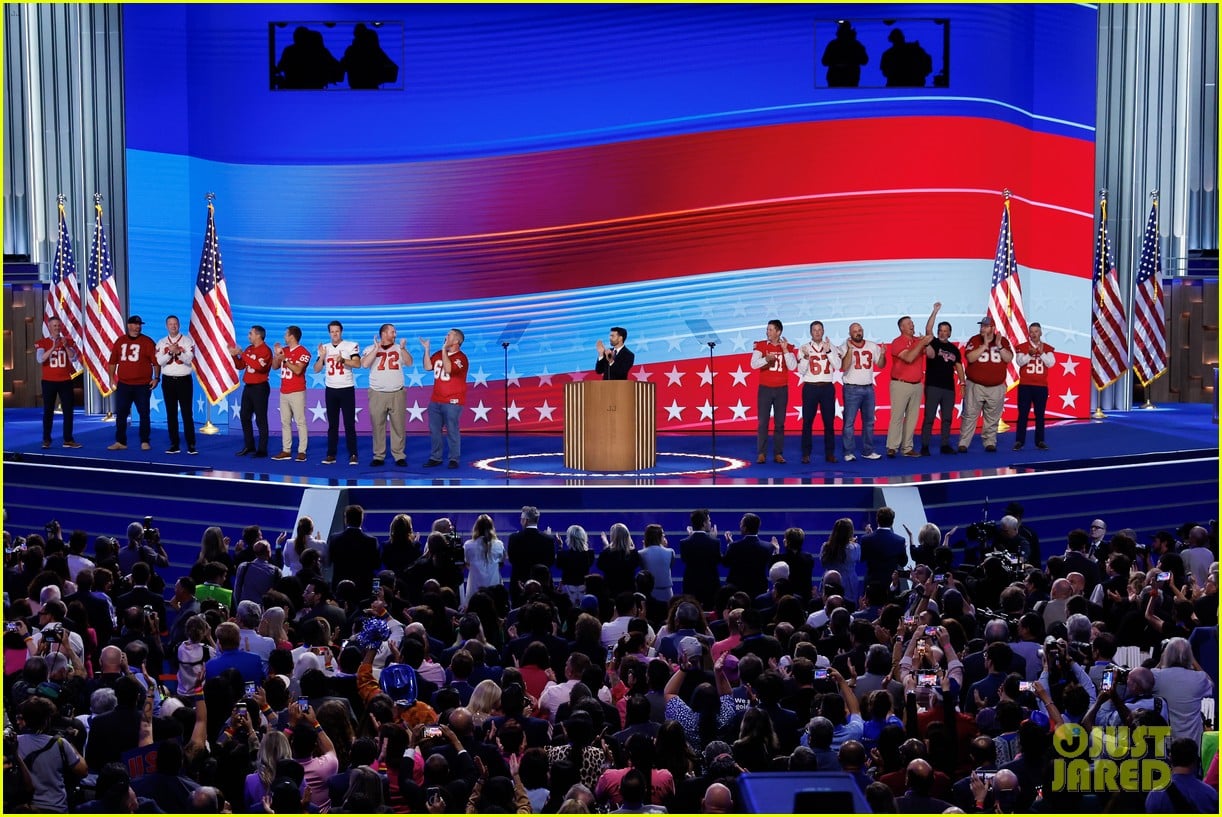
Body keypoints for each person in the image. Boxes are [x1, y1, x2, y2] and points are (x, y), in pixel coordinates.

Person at [957, 315, 1013, 453]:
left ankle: (989, 442)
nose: (982, 328)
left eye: (985, 326)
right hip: (976, 385)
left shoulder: (1002, 341)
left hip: (996, 386)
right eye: (981, 326)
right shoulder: (975, 340)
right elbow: (970, 357)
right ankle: (963, 443)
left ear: (993, 328)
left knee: (992, 416)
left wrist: (999, 346)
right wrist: (985, 345)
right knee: (970, 414)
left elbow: (1009, 358)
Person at [886, 306, 936, 458]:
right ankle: (892, 446)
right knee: (897, 416)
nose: (912, 325)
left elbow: (932, 355)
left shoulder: (918, 341)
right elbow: (909, 358)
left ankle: (907, 447)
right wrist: (921, 343)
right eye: (909, 324)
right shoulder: (897, 342)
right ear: (902, 327)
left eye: (913, 323)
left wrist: (926, 343)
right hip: (900, 384)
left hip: (916, 385)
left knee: (912, 418)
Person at [361, 323, 412, 467]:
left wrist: (403, 349)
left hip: (397, 392)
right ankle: (379, 455)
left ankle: (399, 455)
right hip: (377, 393)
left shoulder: (399, 348)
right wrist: (376, 349)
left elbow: (409, 363)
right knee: (378, 425)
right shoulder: (370, 348)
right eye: (392, 332)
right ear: (384, 333)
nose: (395, 334)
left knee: (398, 426)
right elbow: (364, 364)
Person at [107, 315, 159, 451]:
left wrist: (156, 377)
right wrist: (111, 378)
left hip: (142, 385)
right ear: (129, 326)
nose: (138, 327)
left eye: (139, 325)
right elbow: (113, 361)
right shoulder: (120, 341)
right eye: (135, 325)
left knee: (144, 413)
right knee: (121, 414)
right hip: (124, 384)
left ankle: (145, 441)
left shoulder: (147, 342)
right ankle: (120, 441)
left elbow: (156, 362)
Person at [314, 320, 361, 465]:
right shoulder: (325, 348)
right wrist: (322, 356)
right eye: (332, 331)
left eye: (337, 331)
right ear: (329, 333)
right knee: (332, 425)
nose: (334, 334)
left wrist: (343, 360)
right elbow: (316, 369)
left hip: (346, 388)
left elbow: (358, 364)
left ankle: (353, 454)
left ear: (341, 331)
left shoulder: (350, 345)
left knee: (349, 424)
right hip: (331, 389)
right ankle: (331, 454)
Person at [751, 319, 797, 464]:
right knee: (763, 422)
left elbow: (792, 366)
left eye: (770, 330)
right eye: (767, 329)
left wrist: (785, 350)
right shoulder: (761, 346)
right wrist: (766, 359)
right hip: (765, 389)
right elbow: (753, 364)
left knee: (780, 423)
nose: (767, 332)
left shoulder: (787, 346)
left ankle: (778, 453)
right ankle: (761, 453)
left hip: (782, 390)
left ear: (778, 332)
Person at [421, 328, 469, 468]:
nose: (446, 337)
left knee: (452, 429)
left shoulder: (461, 358)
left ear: (456, 341)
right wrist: (427, 350)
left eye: (449, 335)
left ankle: (454, 458)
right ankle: (436, 457)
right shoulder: (438, 354)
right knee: (435, 430)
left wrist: (443, 350)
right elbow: (427, 366)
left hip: (453, 401)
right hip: (436, 400)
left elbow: (448, 369)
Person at [920, 313, 965, 456]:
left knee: (947, 418)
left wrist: (963, 383)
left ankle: (944, 444)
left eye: (946, 331)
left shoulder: (954, 349)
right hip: (933, 386)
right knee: (929, 417)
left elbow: (959, 366)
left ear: (950, 333)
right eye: (941, 330)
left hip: (948, 388)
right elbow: (928, 329)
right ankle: (925, 446)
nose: (943, 333)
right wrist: (934, 312)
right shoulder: (933, 342)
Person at [840, 322, 886, 461]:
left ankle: (868, 450)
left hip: (868, 388)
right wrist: (849, 350)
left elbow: (881, 365)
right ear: (850, 333)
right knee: (849, 422)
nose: (858, 333)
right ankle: (848, 452)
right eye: (855, 331)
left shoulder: (872, 346)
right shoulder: (844, 346)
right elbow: (844, 367)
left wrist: (882, 354)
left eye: (860, 330)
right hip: (851, 389)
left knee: (869, 422)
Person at [35, 316, 82, 449]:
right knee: (48, 411)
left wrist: (66, 346)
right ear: (49, 327)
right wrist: (53, 347)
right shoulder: (42, 342)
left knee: (68, 411)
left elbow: (73, 358)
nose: (57, 328)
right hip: (49, 381)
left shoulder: (67, 341)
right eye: (54, 326)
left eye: (58, 326)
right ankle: (46, 439)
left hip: (65, 381)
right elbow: (40, 359)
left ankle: (68, 439)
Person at [797, 320, 840, 464]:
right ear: (810, 332)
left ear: (823, 331)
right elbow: (801, 370)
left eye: (819, 329)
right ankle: (806, 453)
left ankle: (830, 453)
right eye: (814, 330)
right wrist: (805, 357)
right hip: (810, 387)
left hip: (827, 387)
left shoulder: (831, 346)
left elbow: (838, 366)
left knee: (829, 422)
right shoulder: (804, 348)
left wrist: (828, 351)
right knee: (807, 422)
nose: (817, 332)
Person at [154, 314, 196, 455]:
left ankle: (191, 444)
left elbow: (189, 359)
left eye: (175, 323)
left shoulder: (187, 341)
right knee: (171, 413)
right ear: (167, 326)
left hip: (184, 380)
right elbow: (159, 362)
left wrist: (178, 352)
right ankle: (174, 444)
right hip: (168, 381)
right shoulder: (161, 342)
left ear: (179, 325)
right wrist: (169, 352)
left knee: (187, 413)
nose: (173, 326)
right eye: (170, 324)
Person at [230, 325, 273, 457]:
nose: (248, 336)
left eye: (251, 333)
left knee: (260, 419)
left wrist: (241, 354)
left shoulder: (266, 350)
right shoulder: (249, 349)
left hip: (260, 388)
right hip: (248, 387)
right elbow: (241, 365)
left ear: (258, 335)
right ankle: (249, 446)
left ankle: (262, 449)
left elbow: (259, 367)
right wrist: (234, 356)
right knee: (244, 416)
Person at [270, 325, 311, 461]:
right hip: (284, 391)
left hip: (297, 391)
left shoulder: (304, 352)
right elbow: (275, 367)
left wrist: (285, 360)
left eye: (286, 334)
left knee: (300, 421)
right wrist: (276, 355)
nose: (284, 337)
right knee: (285, 422)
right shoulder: (284, 350)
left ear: (292, 336)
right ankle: (286, 450)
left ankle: (302, 451)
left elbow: (298, 370)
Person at [1012, 321, 1056, 451]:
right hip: (1025, 385)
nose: (1034, 334)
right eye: (1031, 332)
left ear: (1041, 333)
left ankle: (1040, 441)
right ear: (1029, 334)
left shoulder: (1047, 348)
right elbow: (1020, 362)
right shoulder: (1022, 347)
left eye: (1036, 331)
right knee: (1023, 414)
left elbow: (1051, 363)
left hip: (1041, 386)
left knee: (1040, 414)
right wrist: (1029, 354)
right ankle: (1019, 441)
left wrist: (1041, 353)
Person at [507, 506, 555, 607]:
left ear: (525, 520)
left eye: (521, 518)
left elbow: (512, 559)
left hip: (519, 586)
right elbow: (550, 562)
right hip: (543, 587)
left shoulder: (514, 538)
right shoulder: (548, 539)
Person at [678, 509, 722, 610]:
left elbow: (684, 560)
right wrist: (713, 538)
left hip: (691, 585)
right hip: (711, 585)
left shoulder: (684, 542)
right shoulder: (715, 542)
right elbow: (718, 560)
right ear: (704, 523)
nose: (710, 523)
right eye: (709, 520)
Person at [463, 514, 505, 607]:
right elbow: (501, 562)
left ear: (476, 527)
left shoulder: (468, 545)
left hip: (474, 587)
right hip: (494, 587)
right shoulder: (499, 544)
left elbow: (466, 562)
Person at [822, 19, 869, 87]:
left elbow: (864, 61)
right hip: (837, 79)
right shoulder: (833, 44)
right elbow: (824, 61)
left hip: (848, 79)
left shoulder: (856, 45)